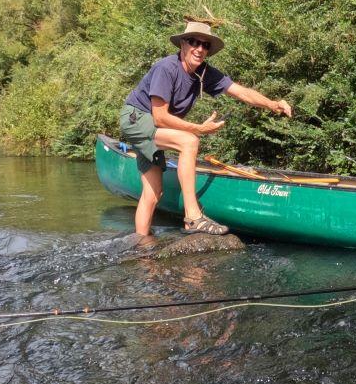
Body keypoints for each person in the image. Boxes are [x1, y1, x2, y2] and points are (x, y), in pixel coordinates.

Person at [120, 18, 292, 237]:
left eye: (205, 45)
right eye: (194, 42)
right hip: (136, 119)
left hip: (151, 127)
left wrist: (273, 104)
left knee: (153, 193)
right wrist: (197, 129)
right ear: (182, 44)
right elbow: (160, 117)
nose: (199, 49)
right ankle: (193, 217)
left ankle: (141, 245)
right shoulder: (167, 68)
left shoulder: (205, 74)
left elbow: (241, 92)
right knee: (189, 141)